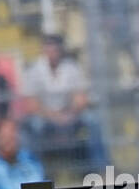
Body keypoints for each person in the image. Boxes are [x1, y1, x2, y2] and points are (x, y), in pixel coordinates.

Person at [20, 34, 107, 167]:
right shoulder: (34, 70)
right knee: (34, 125)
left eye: (55, 48)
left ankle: (101, 167)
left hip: (70, 116)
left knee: (92, 120)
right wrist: (54, 116)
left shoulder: (71, 68)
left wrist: (69, 114)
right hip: (45, 117)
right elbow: (32, 105)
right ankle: (35, 171)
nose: (52, 52)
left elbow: (80, 98)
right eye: (48, 48)